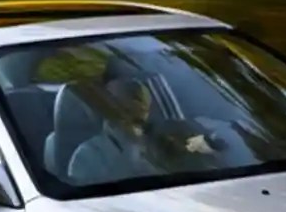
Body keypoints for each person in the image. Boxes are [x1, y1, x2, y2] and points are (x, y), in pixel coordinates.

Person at [66, 76, 215, 185]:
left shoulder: (171, 138)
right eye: (127, 105)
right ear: (111, 108)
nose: (137, 109)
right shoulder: (88, 155)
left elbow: (207, 161)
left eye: (142, 103)